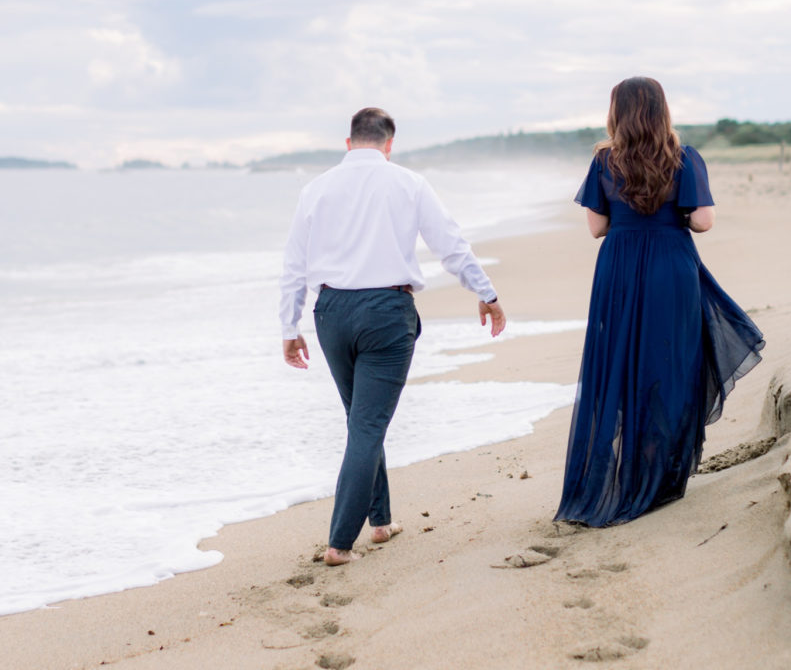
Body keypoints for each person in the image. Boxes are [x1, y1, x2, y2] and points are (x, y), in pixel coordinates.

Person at [278, 107, 506, 566]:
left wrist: (290, 328)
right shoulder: (408, 183)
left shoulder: (315, 189)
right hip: (385, 313)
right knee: (366, 425)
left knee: (361, 419)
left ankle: (380, 521)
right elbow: (450, 244)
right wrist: (486, 292)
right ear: (388, 144)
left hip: (332, 313)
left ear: (348, 143)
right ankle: (340, 543)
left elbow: (293, 266)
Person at [556, 78, 765, 528]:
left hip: (620, 269)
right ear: (661, 110)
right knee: (670, 363)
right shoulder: (684, 157)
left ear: (617, 112)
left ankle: (620, 474)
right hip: (670, 266)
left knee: (621, 363)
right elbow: (703, 221)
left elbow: (596, 229)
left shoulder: (603, 160)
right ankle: (660, 473)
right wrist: (676, 213)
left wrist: (630, 219)